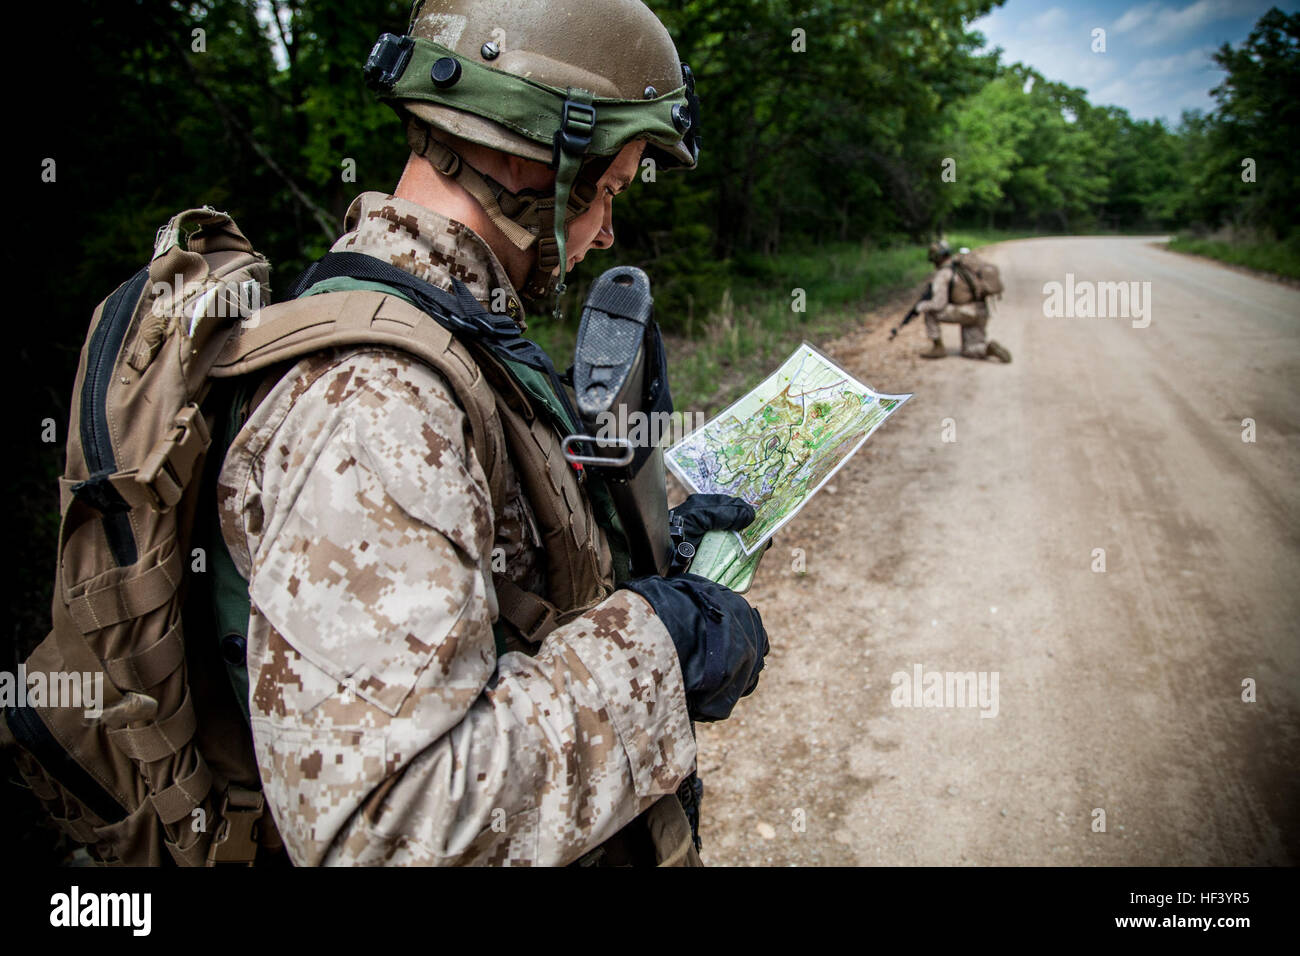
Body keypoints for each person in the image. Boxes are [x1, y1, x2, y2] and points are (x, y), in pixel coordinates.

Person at [211, 0, 769, 866]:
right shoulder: (375, 397)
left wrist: (652, 565)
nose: (609, 229)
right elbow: (392, 824)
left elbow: (502, 589)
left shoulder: (445, 329)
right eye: (611, 190)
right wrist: (661, 643)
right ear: (537, 156)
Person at [915, 240, 1011, 362]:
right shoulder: (964, 267)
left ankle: (938, 347)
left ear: (936, 258)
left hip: (966, 312)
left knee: (929, 311)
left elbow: (938, 304)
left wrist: (921, 306)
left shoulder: (944, 273)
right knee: (970, 350)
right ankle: (987, 349)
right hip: (982, 311)